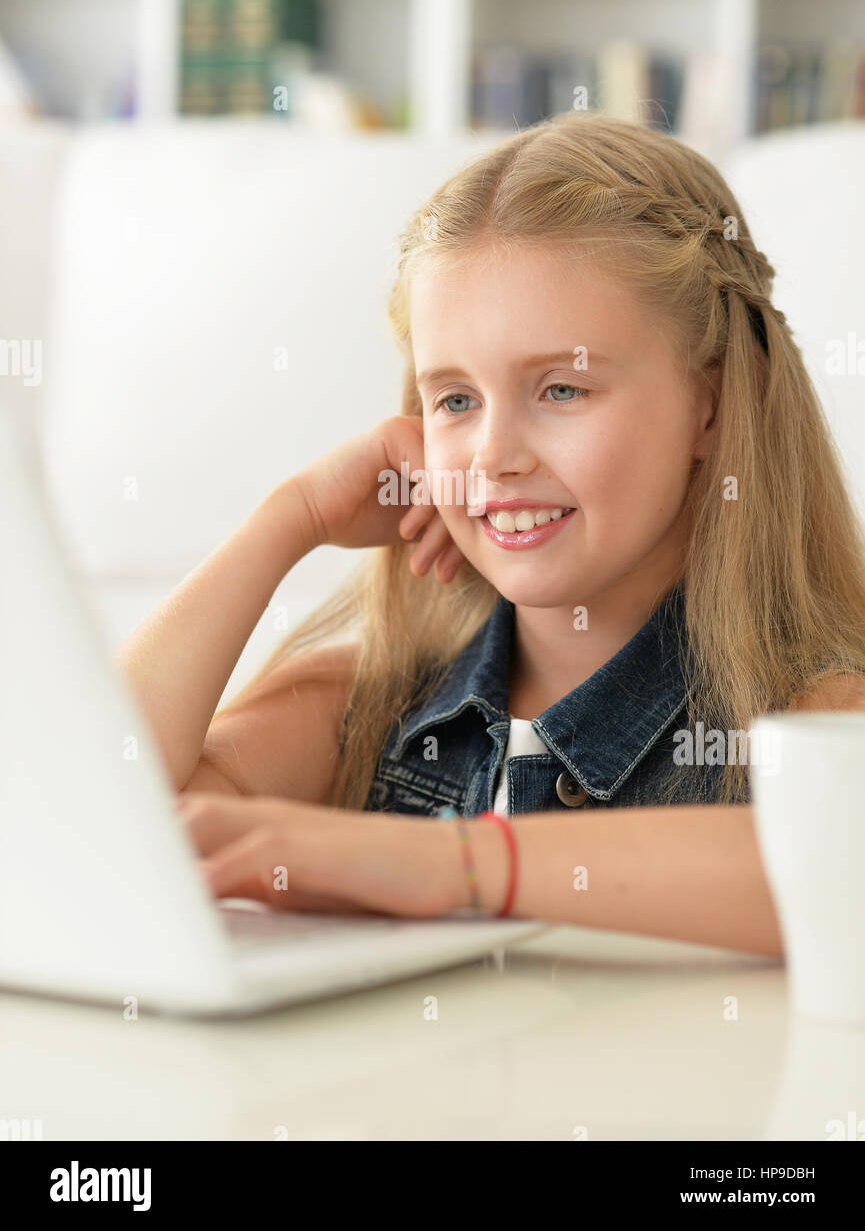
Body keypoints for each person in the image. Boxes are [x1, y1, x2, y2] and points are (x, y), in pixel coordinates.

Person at [115, 113, 865, 957]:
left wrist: (453, 864)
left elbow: (833, 868)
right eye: (456, 400)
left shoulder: (819, 713)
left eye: (560, 390)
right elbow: (93, 822)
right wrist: (293, 518)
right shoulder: (368, 708)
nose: (494, 458)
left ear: (712, 404)